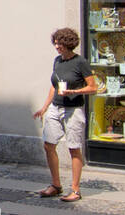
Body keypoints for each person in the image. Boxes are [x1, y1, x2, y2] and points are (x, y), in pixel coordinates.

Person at [33, 27, 96, 203]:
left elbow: (93, 87)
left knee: (74, 148)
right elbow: (53, 85)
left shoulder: (80, 62)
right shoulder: (57, 61)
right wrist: (44, 107)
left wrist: (74, 91)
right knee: (48, 144)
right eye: (55, 43)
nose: (57, 46)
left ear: (69, 44)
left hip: (73, 109)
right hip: (56, 107)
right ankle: (56, 185)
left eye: (60, 43)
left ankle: (75, 189)